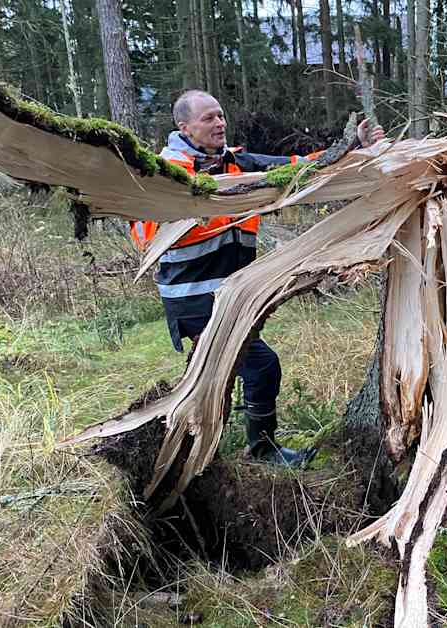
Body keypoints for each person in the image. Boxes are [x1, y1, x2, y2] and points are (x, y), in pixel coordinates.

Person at [130, 89, 384, 467]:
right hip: (194, 299)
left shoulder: (236, 163)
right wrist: (226, 207)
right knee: (260, 365)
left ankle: (199, 444)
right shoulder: (165, 172)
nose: (219, 123)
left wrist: (353, 146)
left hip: (234, 295)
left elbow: (298, 167)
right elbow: (146, 234)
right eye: (208, 118)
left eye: (220, 115)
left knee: (221, 371)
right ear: (184, 127)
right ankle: (259, 451)